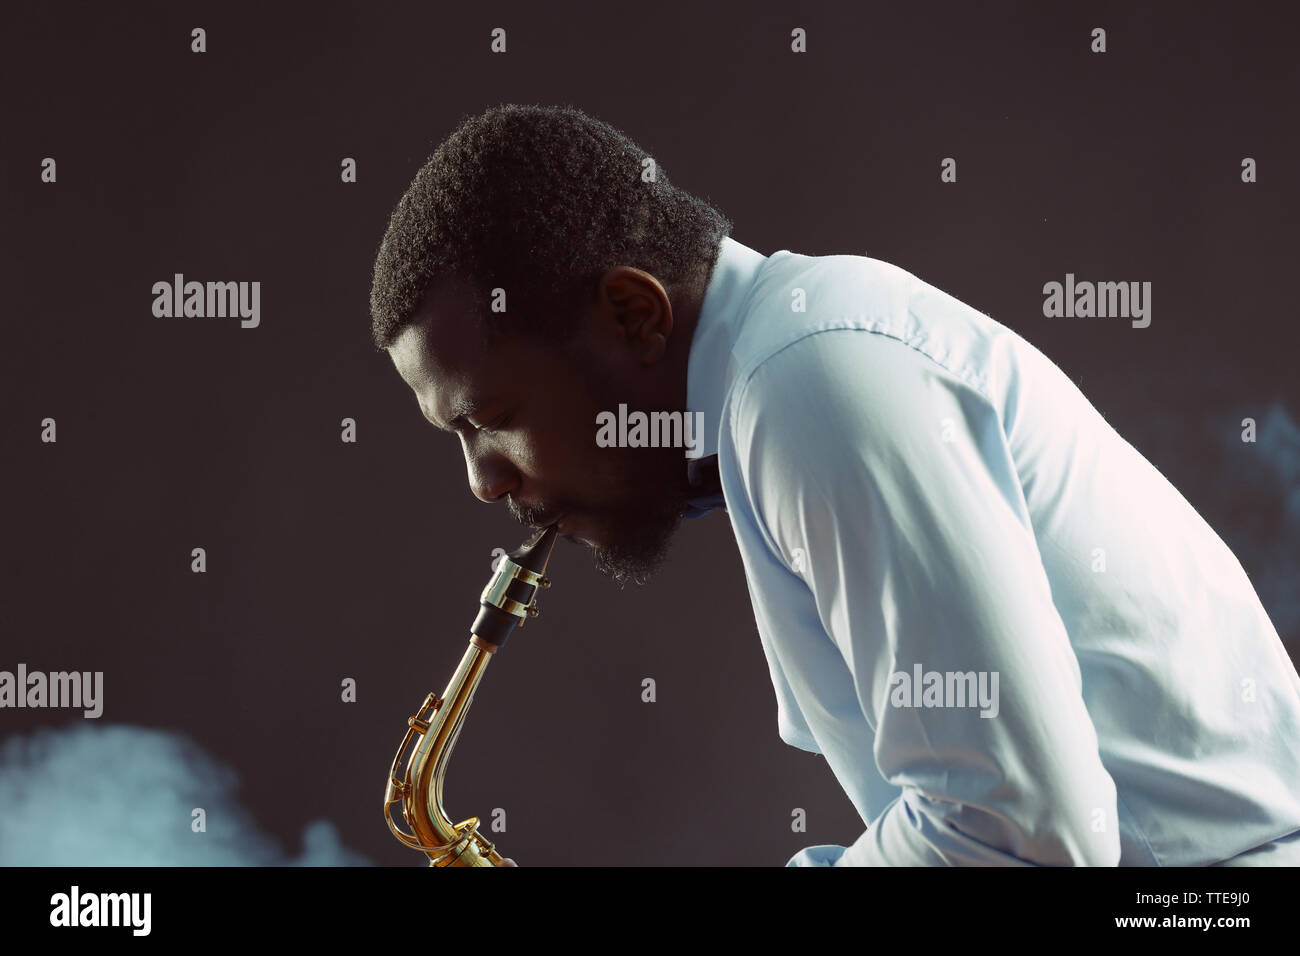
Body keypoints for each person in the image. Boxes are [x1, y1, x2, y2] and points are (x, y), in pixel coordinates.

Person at [369, 103, 1300, 866]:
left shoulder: (807, 382)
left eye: (488, 417)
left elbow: (1023, 837)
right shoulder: (786, 365)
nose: (484, 483)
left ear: (632, 313)